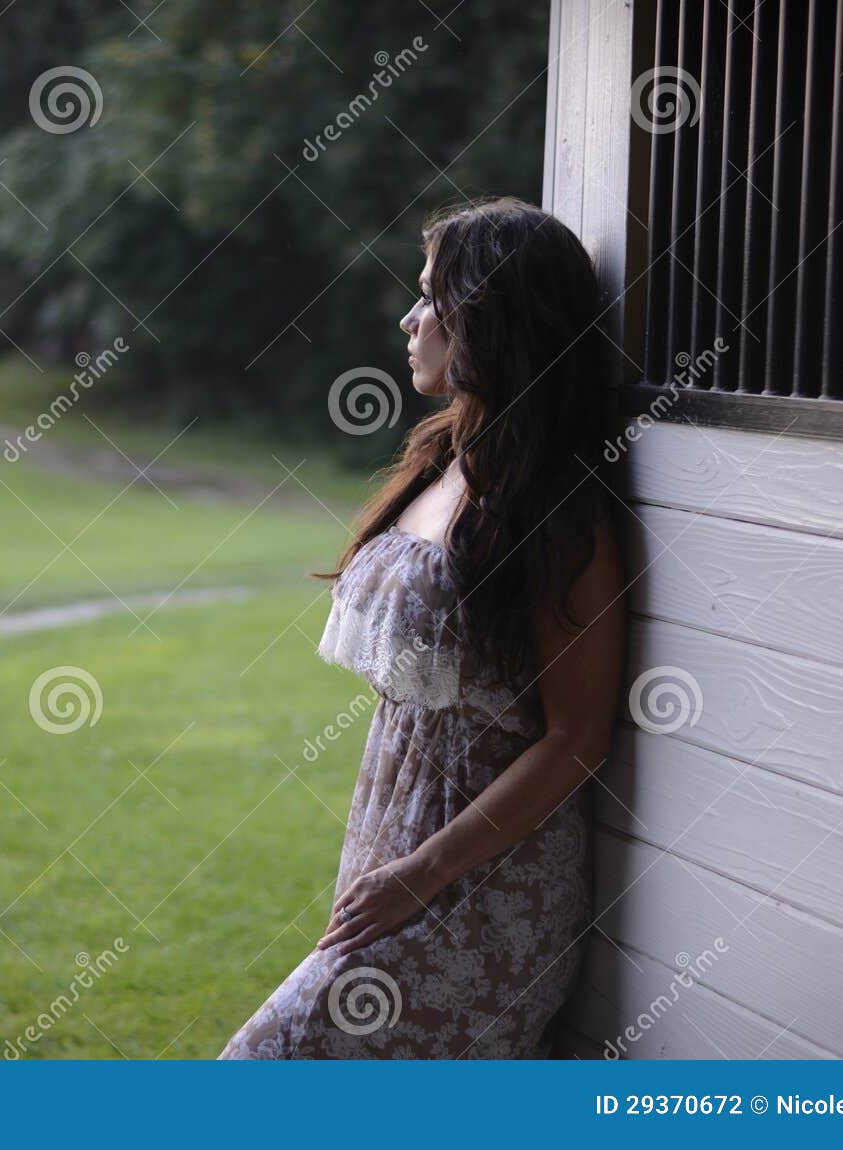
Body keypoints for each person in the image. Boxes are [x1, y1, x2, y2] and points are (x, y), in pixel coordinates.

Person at [219, 196, 627, 1058]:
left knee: (268, 1059)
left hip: (485, 883)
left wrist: (422, 874)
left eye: (431, 298)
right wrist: (397, 870)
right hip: (394, 843)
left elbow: (578, 735)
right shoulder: (445, 462)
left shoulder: (553, 510)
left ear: (490, 318)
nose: (409, 320)